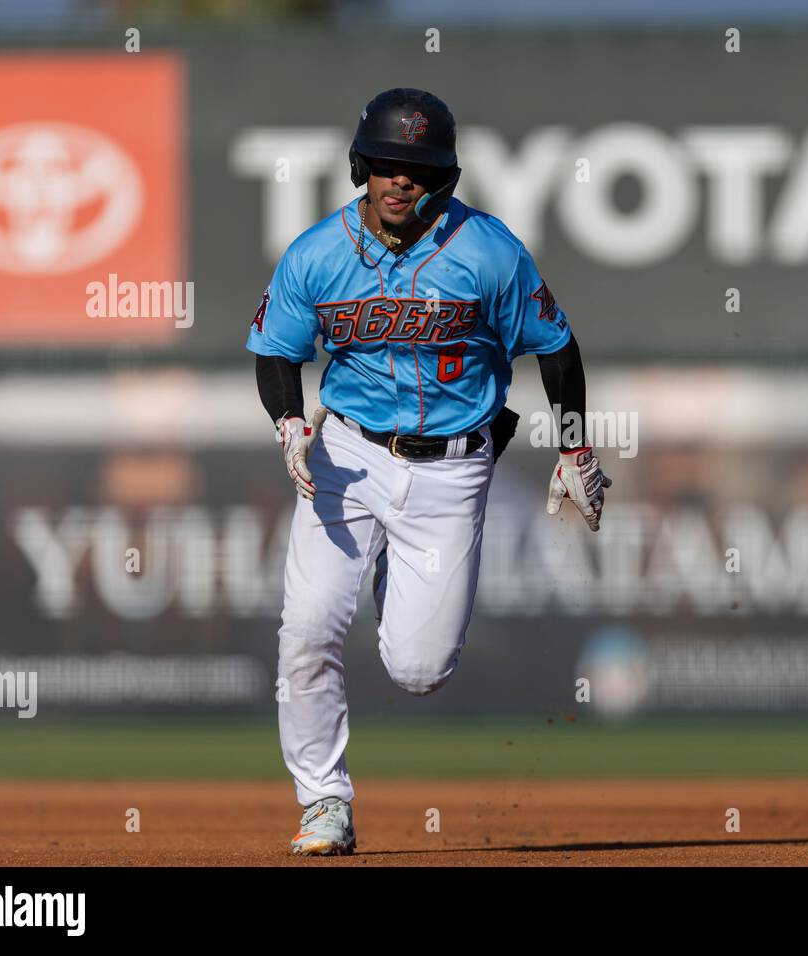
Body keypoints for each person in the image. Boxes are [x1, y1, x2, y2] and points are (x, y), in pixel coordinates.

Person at [246, 88, 611, 855]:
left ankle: (395, 571)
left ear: (440, 176)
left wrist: (575, 448)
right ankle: (323, 803)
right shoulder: (317, 252)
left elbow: (556, 345)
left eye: (416, 167)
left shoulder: (489, 250)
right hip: (344, 457)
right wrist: (287, 423)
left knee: (419, 669)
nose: (398, 179)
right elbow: (276, 349)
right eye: (384, 162)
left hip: (452, 470)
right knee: (306, 634)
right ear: (360, 165)